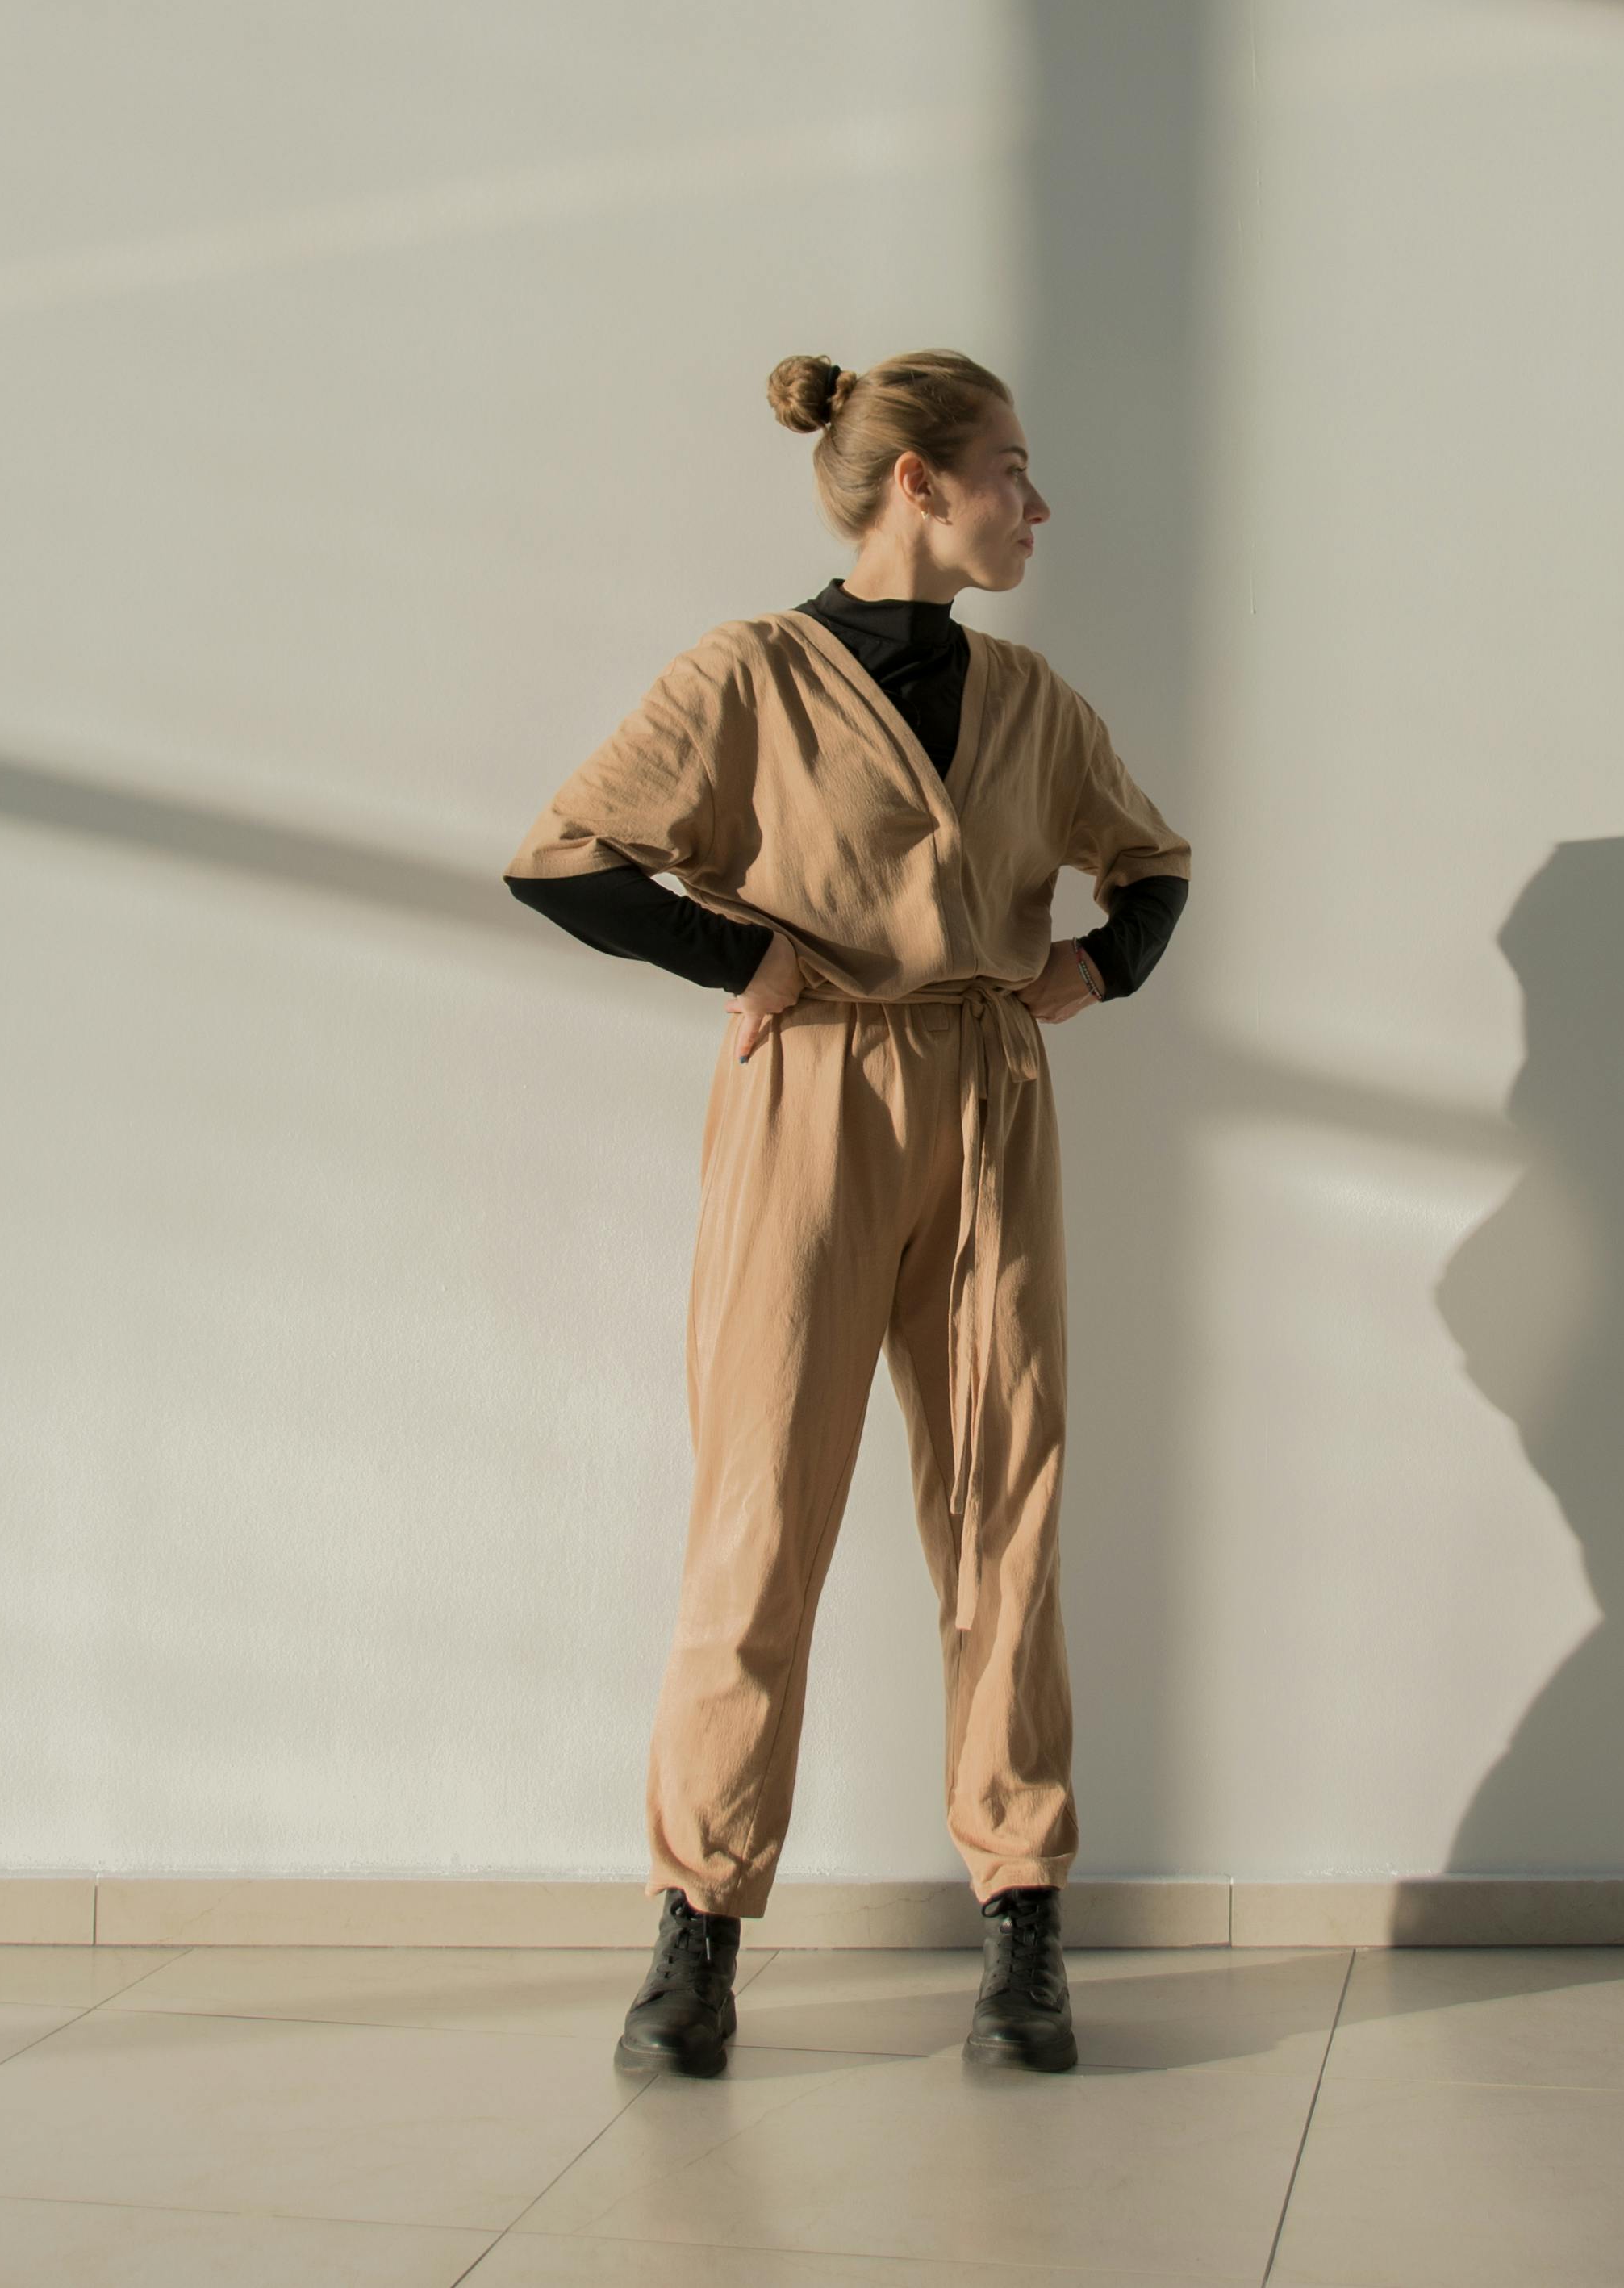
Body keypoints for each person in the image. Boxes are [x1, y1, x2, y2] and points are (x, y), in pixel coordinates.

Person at [503, 348, 1192, 2080]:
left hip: (986, 1100)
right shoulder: (745, 676)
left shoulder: (1032, 701)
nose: (1034, 505)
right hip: (808, 1100)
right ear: (916, 483)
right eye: (1009, 472)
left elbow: (1152, 861)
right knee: (760, 1513)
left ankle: (1021, 1919)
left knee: (1001, 1513)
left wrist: (1094, 969)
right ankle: (698, 1928)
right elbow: (563, 860)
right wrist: (747, 950)